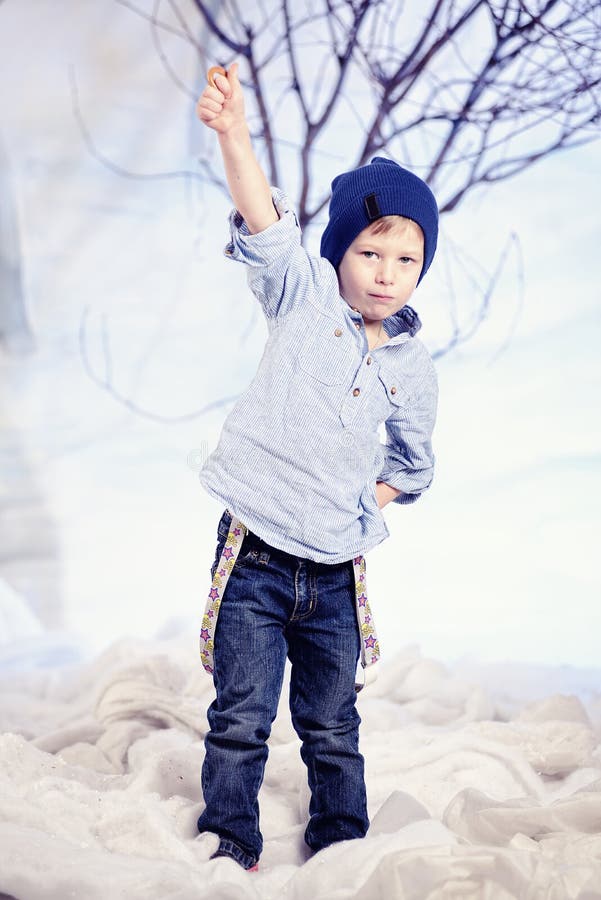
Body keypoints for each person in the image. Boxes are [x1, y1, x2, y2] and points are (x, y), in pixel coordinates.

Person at [194, 62, 439, 871]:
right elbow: (264, 223)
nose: (384, 272)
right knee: (241, 712)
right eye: (370, 252)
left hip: (334, 571)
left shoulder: (412, 363)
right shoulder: (301, 299)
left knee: (333, 721)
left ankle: (340, 839)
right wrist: (234, 133)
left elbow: (411, 460)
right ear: (341, 253)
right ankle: (229, 837)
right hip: (257, 554)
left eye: (405, 261)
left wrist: (360, 497)